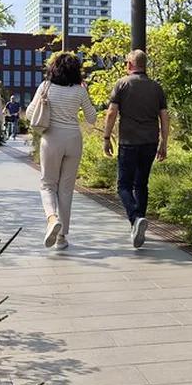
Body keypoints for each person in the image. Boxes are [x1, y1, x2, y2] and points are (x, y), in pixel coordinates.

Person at [103, 49, 169, 248]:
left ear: (130, 64)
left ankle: (135, 218)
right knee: (141, 184)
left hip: (129, 142)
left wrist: (106, 137)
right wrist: (164, 143)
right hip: (150, 141)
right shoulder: (156, 87)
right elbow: (164, 116)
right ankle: (138, 222)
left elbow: (112, 112)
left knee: (123, 185)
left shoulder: (122, 84)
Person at [35, 52, 96, 250]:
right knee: (66, 189)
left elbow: (29, 113)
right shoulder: (79, 91)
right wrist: (84, 93)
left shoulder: (46, 87)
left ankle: (52, 220)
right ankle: (61, 238)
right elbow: (92, 118)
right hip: (73, 140)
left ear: (54, 68)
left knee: (47, 185)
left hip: (52, 139)